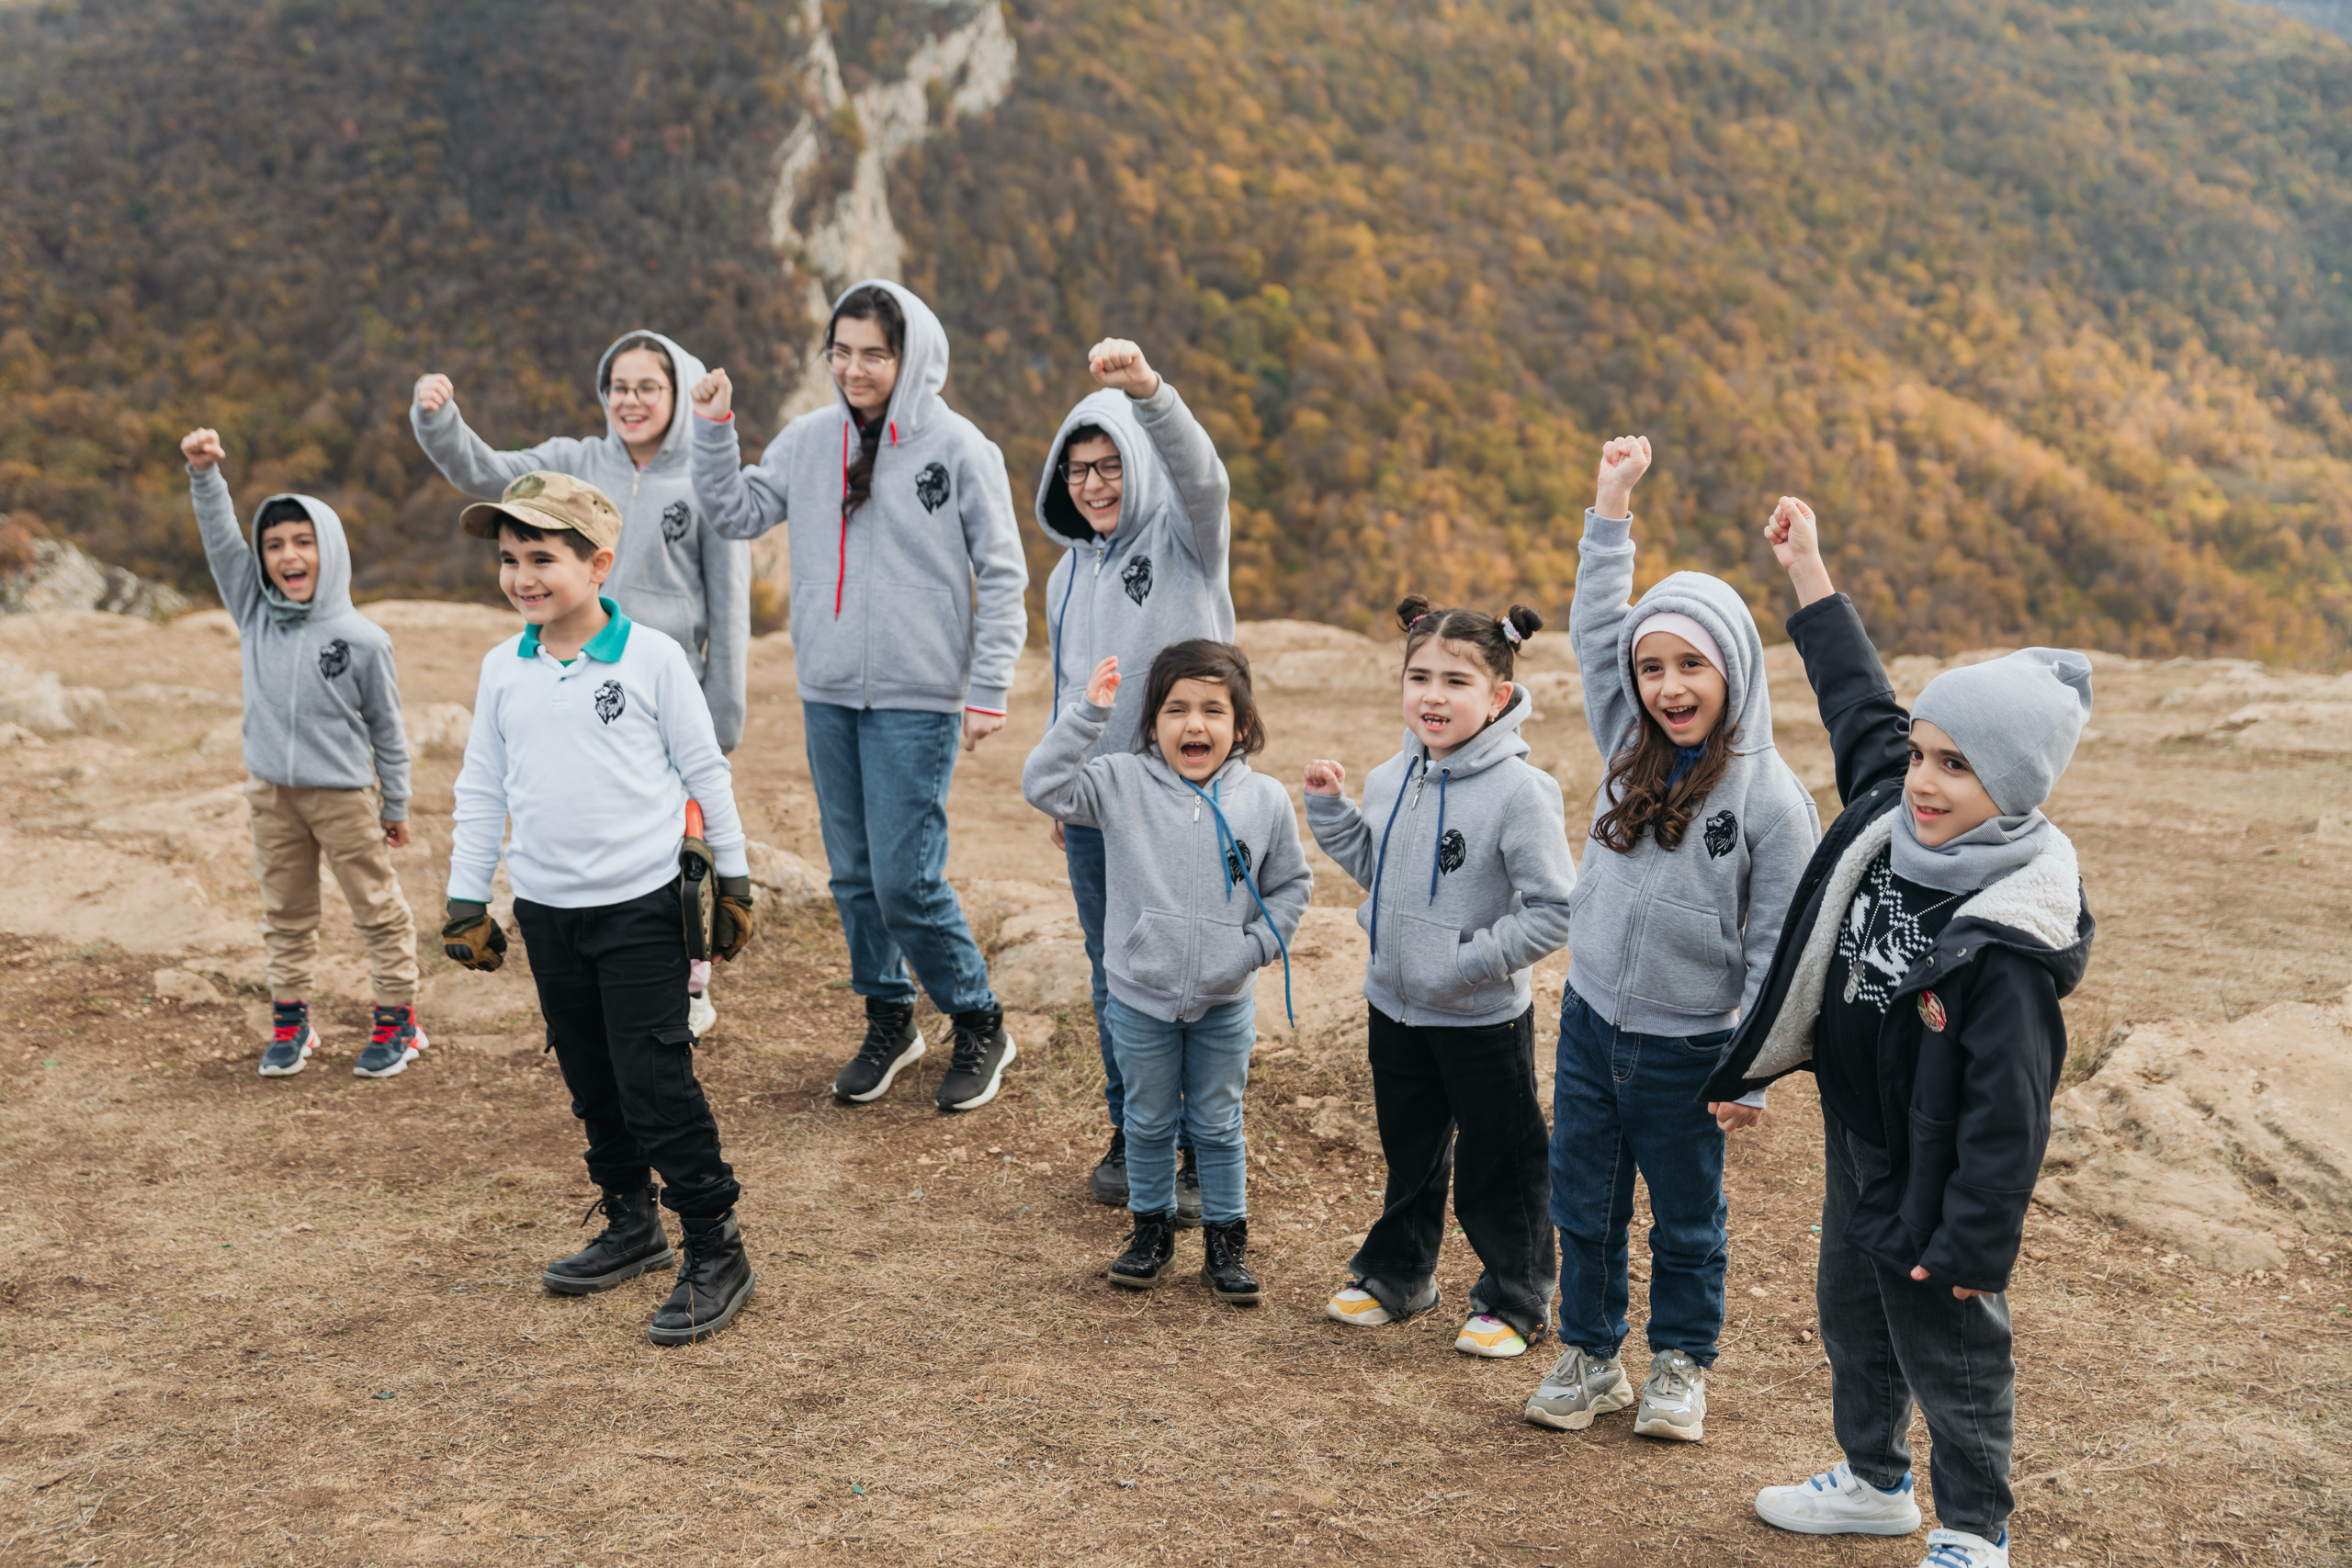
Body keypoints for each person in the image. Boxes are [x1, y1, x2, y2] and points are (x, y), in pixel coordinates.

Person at [1710, 498, 2093, 1568]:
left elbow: (2008, 1117)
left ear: (2012, 786)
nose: (1922, 779)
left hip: (1941, 1173)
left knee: (1950, 1346)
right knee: (1852, 1311)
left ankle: (1975, 1530)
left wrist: (1975, 1242)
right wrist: (1808, 570)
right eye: (1921, 754)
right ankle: (1875, 1483)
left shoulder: (2007, 942)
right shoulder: (1891, 820)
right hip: (1862, 1138)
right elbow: (1855, 699)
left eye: (1956, 766)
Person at [1523, 436, 1818, 1443]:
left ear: (1734, 668)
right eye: (1651, 666)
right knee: (1584, 1202)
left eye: (1691, 664)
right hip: (1590, 1023)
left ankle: (1681, 1363)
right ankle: (1592, 1355)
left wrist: (1754, 1071)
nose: (1667, 684)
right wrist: (1611, 504)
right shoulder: (1626, 741)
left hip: (1691, 1048)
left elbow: (1781, 947)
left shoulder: (1773, 800)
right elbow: (1595, 622)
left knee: (1687, 1218)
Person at [688, 280, 1026, 1113]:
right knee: (853, 875)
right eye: (841, 351)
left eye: (874, 353)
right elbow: (734, 511)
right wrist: (713, 429)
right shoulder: (810, 440)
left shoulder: (960, 447)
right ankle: (889, 1017)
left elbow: (1003, 573)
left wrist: (988, 686)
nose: (854, 368)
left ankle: (979, 1018)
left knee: (906, 879)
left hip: (920, 694)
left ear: (913, 356)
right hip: (829, 689)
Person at [439, 470, 760, 1347]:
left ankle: (716, 1244)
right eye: (510, 558)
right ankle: (632, 1221)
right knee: (590, 1076)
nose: (522, 577)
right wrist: (468, 898)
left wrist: (733, 882)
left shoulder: (653, 658)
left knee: (655, 1079)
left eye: (542, 557)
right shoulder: (502, 669)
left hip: (641, 907)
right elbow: (482, 787)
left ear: (599, 564)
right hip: (547, 911)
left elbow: (705, 773)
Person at [411, 332, 751, 1035]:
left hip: (671, 692)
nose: (631, 400)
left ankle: (686, 981)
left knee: (679, 852)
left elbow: (730, 603)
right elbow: (483, 470)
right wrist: (439, 419)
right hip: (572, 680)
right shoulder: (572, 464)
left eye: (648, 386)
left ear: (678, 391)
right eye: (618, 387)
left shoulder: (706, 479)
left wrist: (723, 714)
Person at [1303, 598, 1575, 1360]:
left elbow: (1557, 910)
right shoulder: (1392, 775)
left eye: (1456, 681)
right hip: (1394, 1006)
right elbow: (1380, 870)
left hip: (1481, 1017)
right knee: (1411, 1151)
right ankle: (1399, 1275)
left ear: (1498, 696)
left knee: (1501, 1161)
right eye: (1419, 676)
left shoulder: (1521, 791)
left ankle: (1516, 1297)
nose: (1433, 695)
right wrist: (1330, 812)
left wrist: (1466, 963)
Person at [1022, 643, 1309, 1303]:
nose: (1193, 724)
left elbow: (1291, 886)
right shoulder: (1118, 781)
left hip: (1225, 1002)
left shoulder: (1265, 799)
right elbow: (1043, 785)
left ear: (1242, 723)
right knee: (1147, 1122)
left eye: (1213, 709)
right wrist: (1088, 715)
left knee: (1218, 1124)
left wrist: (1251, 949)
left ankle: (1226, 1243)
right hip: (1138, 999)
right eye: (1175, 708)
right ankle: (1150, 1232)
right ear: (1151, 721)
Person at [1032, 336, 1237, 1216]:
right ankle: (1135, 1133)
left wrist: (1150, 392)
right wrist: (1064, 780)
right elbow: (1066, 686)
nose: (1095, 484)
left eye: (1111, 464)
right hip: (1097, 809)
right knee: (1112, 971)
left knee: (1188, 967)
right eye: (1079, 469)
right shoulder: (1065, 576)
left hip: (1184, 800)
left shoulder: (1187, 537)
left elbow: (1206, 479)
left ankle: (1196, 1149)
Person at [180, 428, 424, 1079]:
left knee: (376, 909)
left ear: (329, 549)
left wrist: (396, 802)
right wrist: (205, 476)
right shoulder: (253, 611)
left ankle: (398, 1019)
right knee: (285, 912)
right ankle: (291, 1022)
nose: (288, 555)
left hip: (343, 795)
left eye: (303, 541)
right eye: (274, 545)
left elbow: (387, 727)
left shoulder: (363, 639)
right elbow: (220, 541)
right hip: (271, 793)